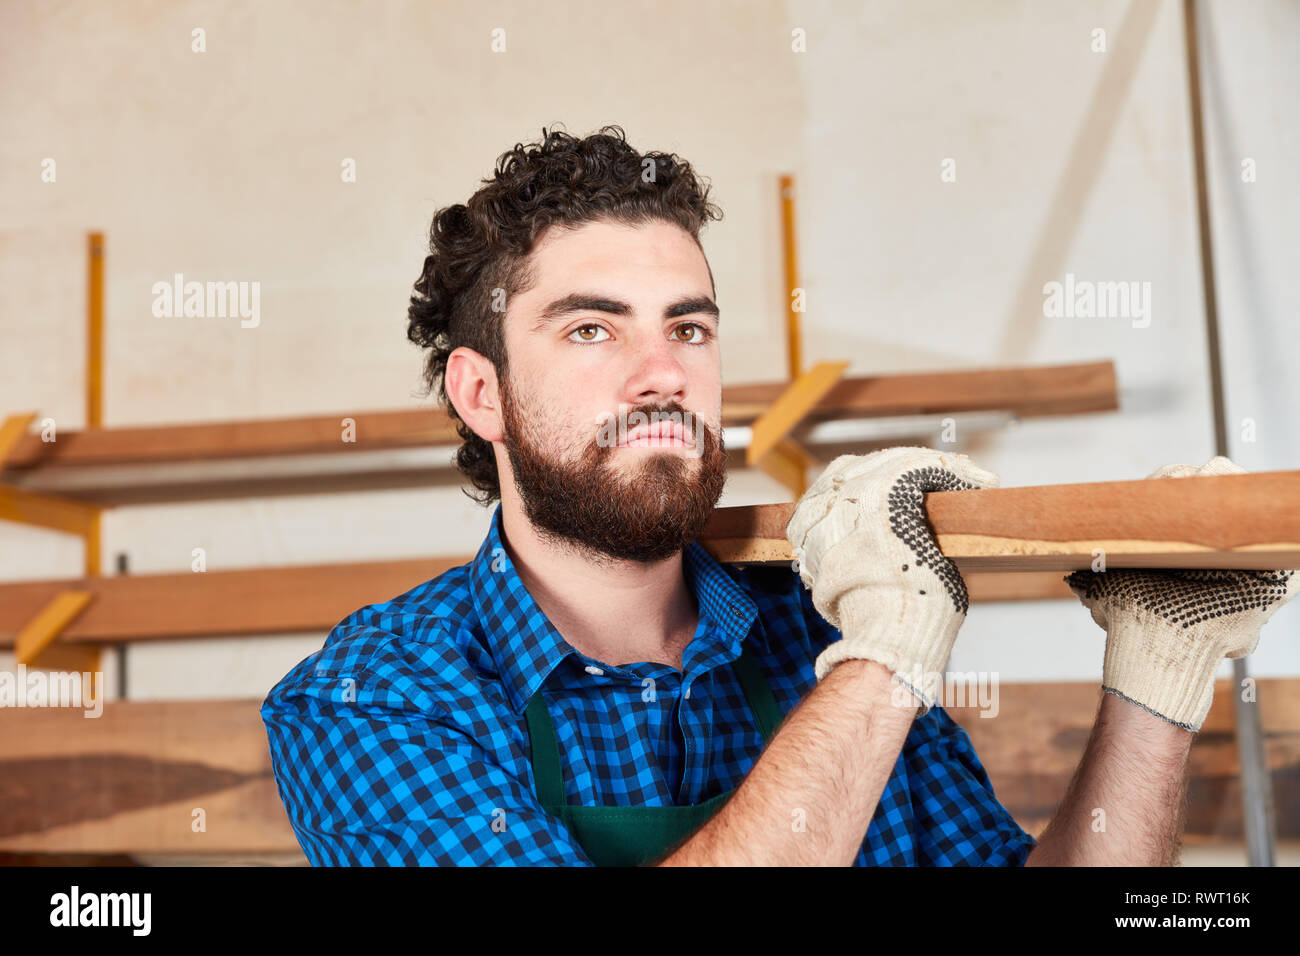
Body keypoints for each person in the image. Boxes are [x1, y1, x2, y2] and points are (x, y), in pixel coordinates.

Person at [261, 125, 1295, 866]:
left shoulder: (815, 630)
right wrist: (885, 661)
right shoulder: (375, 700)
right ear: (480, 391)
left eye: (689, 326)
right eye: (592, 328)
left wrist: (1156, 679)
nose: (660, 371)